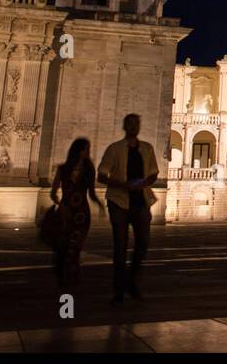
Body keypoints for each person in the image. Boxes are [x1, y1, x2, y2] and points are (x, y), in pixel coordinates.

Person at [97, 113, 159, 306]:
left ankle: (130, 281)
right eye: (131, 124)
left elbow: (154, 173)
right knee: (120, 247)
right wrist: (123, 185)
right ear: (125, 126)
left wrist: (143, 183)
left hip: (141, 201)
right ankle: (119, 291)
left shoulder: (147, 149)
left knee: (142, 244)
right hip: (119, 201)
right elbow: (101, 175)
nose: (134, 127)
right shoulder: (114, 149)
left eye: (137, 123)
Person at [50, 137, 105, 290]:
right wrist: (61, 206)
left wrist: (101, 205)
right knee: (63, 244)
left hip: (82, 215)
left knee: (76, 246)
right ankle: (63, 274)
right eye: (86, 149)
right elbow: (53, 193)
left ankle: (72, 276)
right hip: (66, 213)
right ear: (78, 150)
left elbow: (92, 193)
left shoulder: (89, 169)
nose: (88, 152)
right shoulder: (63, 169)